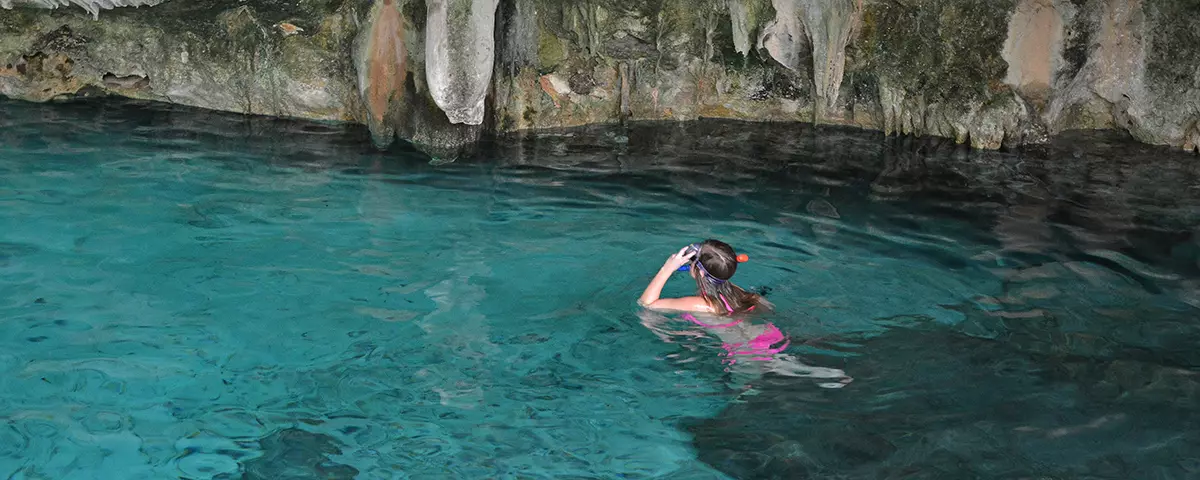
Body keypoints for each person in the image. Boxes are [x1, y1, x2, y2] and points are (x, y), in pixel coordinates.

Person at [637, 239, 851, 388]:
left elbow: (647, 304)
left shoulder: (700, 304)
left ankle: (820, 374)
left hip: (745, 352)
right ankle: (823, 373)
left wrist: (667, 268)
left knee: (743, 391)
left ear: (699, 272)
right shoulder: (741, 293)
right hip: (770, 336)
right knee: (785, 364)